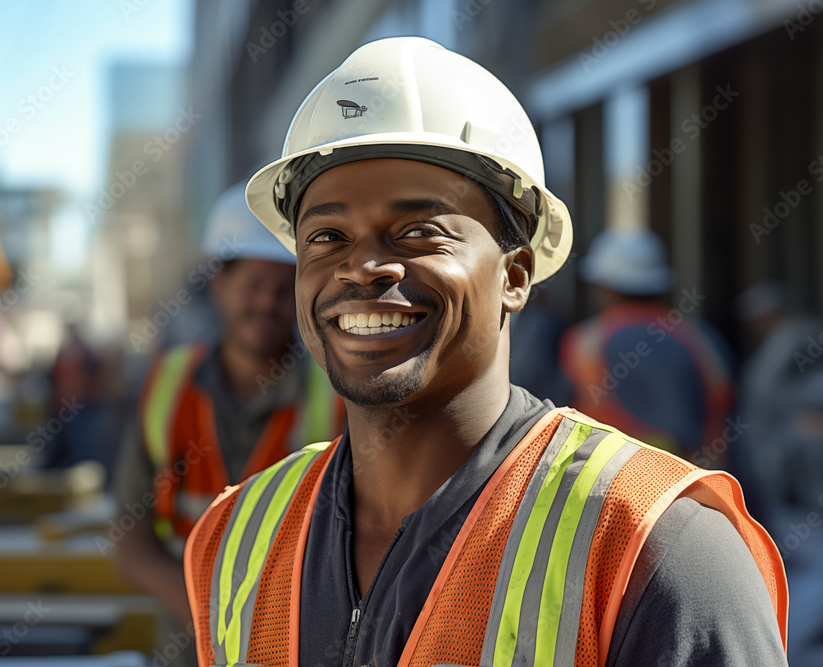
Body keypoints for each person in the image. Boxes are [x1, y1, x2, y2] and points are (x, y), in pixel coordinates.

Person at [183, 37, 788, 667]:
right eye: (327, 237)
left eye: (420, 231)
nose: (361, 267)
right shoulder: (236, 541)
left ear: (516, 275)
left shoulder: (658, 548)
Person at [112, 182, 343, 655]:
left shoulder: (336, 392)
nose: (266, 303)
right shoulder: (168, 385)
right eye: (253, 286)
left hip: (295, 644)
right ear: (219, 285)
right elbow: (128, 533)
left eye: (283, 289)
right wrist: (207, 621)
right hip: (185, 645)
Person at [559, 228, 736, 465]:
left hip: (611, 481)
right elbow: (724, 410)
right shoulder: (701, 339)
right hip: (690, 485)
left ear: (604, 286)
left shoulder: (586, 341)